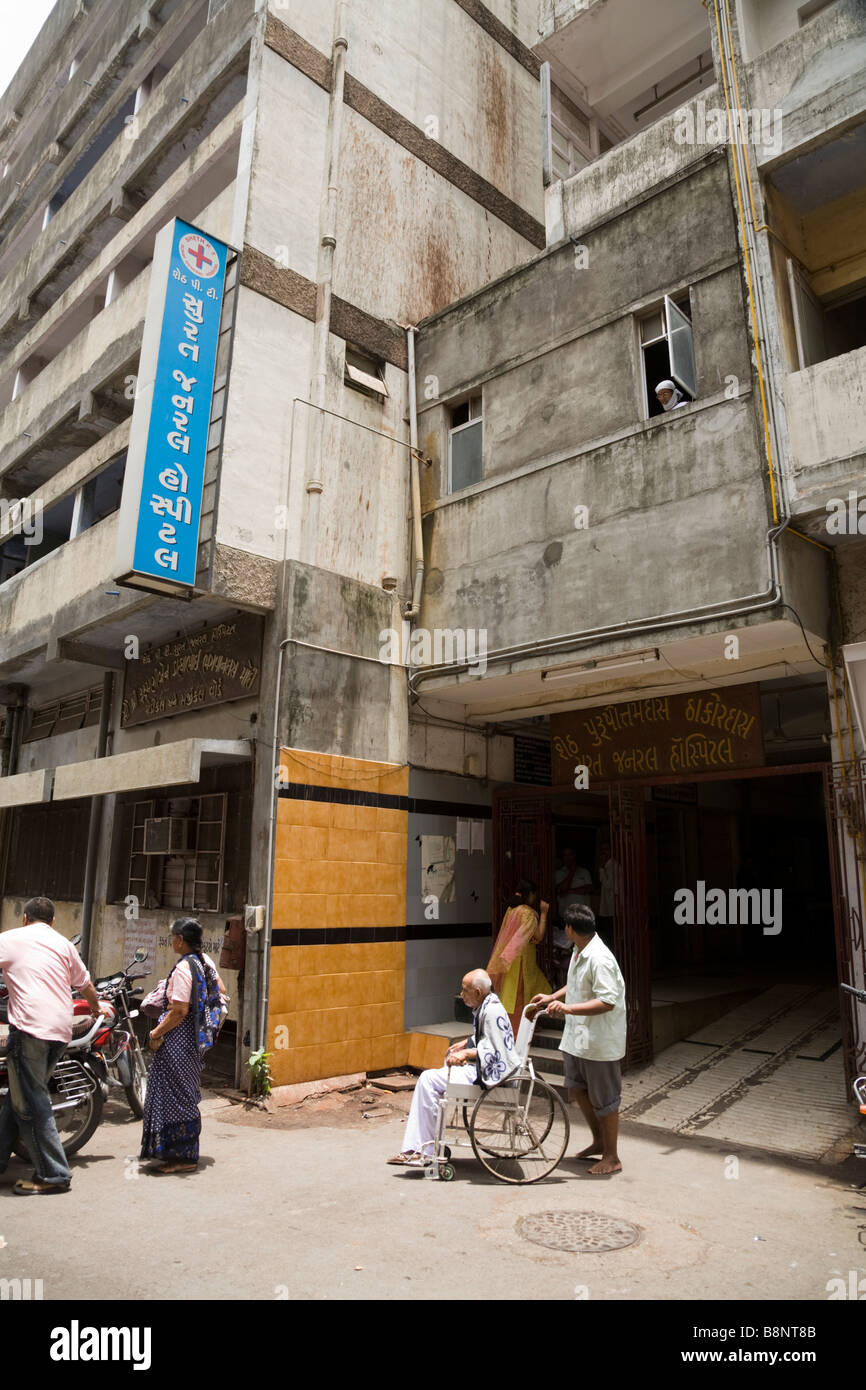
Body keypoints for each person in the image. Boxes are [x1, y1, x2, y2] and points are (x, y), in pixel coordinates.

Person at [0, 896, 109, 1195]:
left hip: (30, 1029)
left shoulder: (10, 939)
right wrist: (96, 1007)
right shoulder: (63, 945)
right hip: (60, 1032)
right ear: (52, 921)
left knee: (31, 1102)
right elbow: (86, 985)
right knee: (19, 1098)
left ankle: (54, 1175)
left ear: (24, 918)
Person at [387, 969, 520, 1166]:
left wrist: (466, 1053)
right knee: (431, 1080)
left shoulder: (491, 1011)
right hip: (483, 1069)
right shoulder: (488, 1005)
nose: (462, 994)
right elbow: (488, 1037)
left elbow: (496, 1050)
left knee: (427, 1080)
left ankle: (425, 1149)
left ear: (477, 992)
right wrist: (467, 1043)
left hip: (488, 1074)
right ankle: (423, 1145)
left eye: (465, 990)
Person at [530, 903, 626, 1177]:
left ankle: (612, 1156)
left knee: (606, 1099)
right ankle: (598, 1141)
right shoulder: (579, 949)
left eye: (565, 927)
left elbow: (607, 1001)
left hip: (598, 1041)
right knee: (577, 1088)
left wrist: (568, 1008)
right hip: (578, 1038)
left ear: (571, 929)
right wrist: (552, 997)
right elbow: (575, 984)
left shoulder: (600, 958)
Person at [140, 917, 225, 1175]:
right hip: (194, 1041)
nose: (171, 940)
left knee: (177, 1097)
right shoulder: (204, 962)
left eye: (172, 936)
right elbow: (220, 990)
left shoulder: (183, 969)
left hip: (178, 1040)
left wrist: (155, 1032)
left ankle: (184, 1156)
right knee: (182, 1093)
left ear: (179, 940)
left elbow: (178, 1010)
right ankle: (174, 1152)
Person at [487, 879, 551, 1032]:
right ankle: (519, 1030)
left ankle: (527, 1025)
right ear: (530, 895)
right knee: (521, 996)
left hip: (509, 960)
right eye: (534, 895)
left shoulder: (512, 909)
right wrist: (544, 913)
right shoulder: (528, 913)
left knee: (513, 995)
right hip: (522, 961)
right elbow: (538, 936)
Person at [553, 848, 593, 988]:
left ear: (575, 856)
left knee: (585, 948)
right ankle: (570, 983)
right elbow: (561, 889)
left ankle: (586, 980)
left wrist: (570, 891)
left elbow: (588, 888)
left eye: (570, 854)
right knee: (567, 951)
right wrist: (571, 873)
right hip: (566, 918)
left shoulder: (584, 872)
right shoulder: (559, 873)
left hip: (583, 920)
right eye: (565, 855)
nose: (568, 858)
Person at [597, 838, 621, 951]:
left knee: (613, 933)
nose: (604, 852)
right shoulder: (607, 865)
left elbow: (608, 884)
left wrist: (601, 869)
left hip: (613, 905)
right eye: (602, 850)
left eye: (606, 849)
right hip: (608, 905)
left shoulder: (614, 866)